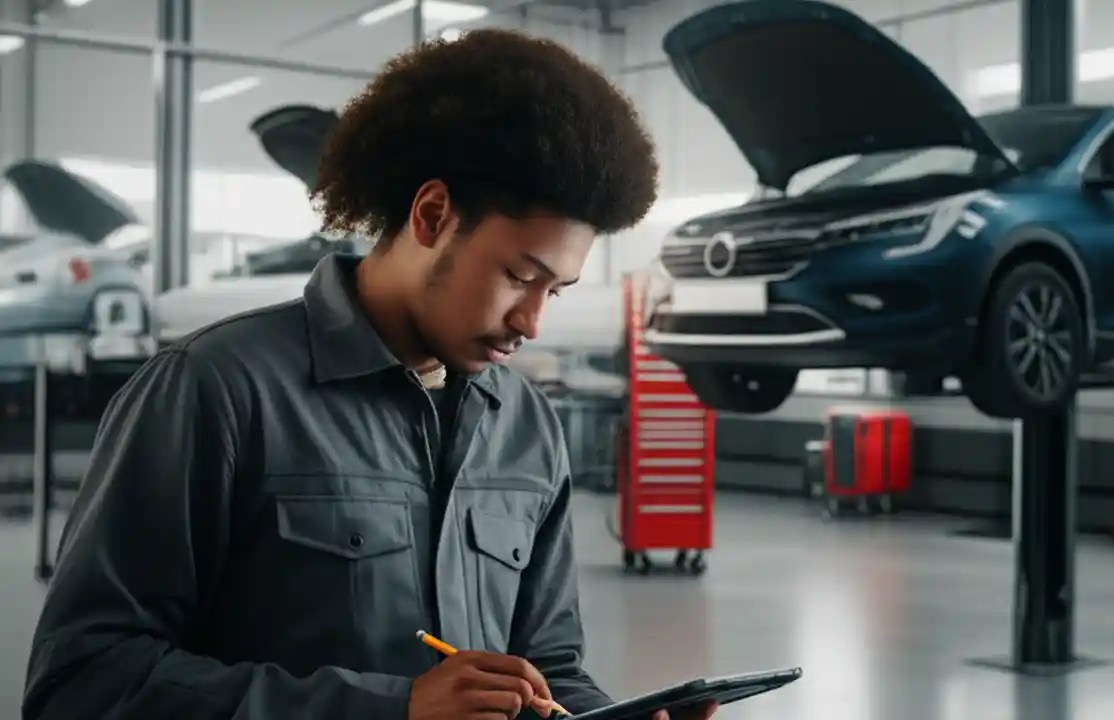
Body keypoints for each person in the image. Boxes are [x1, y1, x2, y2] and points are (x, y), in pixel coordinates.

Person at [23, 29, 716, 720]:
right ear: (432, 215)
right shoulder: (214, 391)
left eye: (554, 290)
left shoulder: (525, 424)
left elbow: (547, 668)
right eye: (518, 277)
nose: (532, 322)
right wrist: (390, 709)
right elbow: (82, 684)